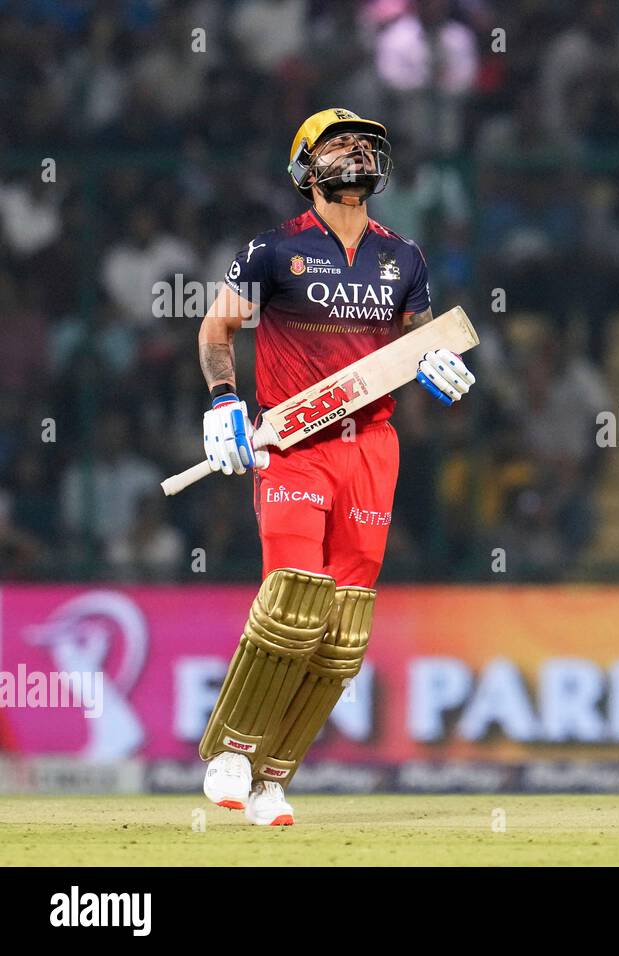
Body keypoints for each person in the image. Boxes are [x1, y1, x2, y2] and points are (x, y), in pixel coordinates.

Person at [195, 108, 476, 825]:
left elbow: (417, 346)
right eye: (339, 143)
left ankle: (272, 779)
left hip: (372, 448)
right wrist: (225, 403)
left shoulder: (404, 257)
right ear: (305, 166)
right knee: (292, 598)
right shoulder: (273, 249)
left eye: (365, 143)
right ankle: (231, 750)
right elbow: (216, 327)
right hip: (294, 443)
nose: (357, 151)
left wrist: (435, 367)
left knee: (342, 629)